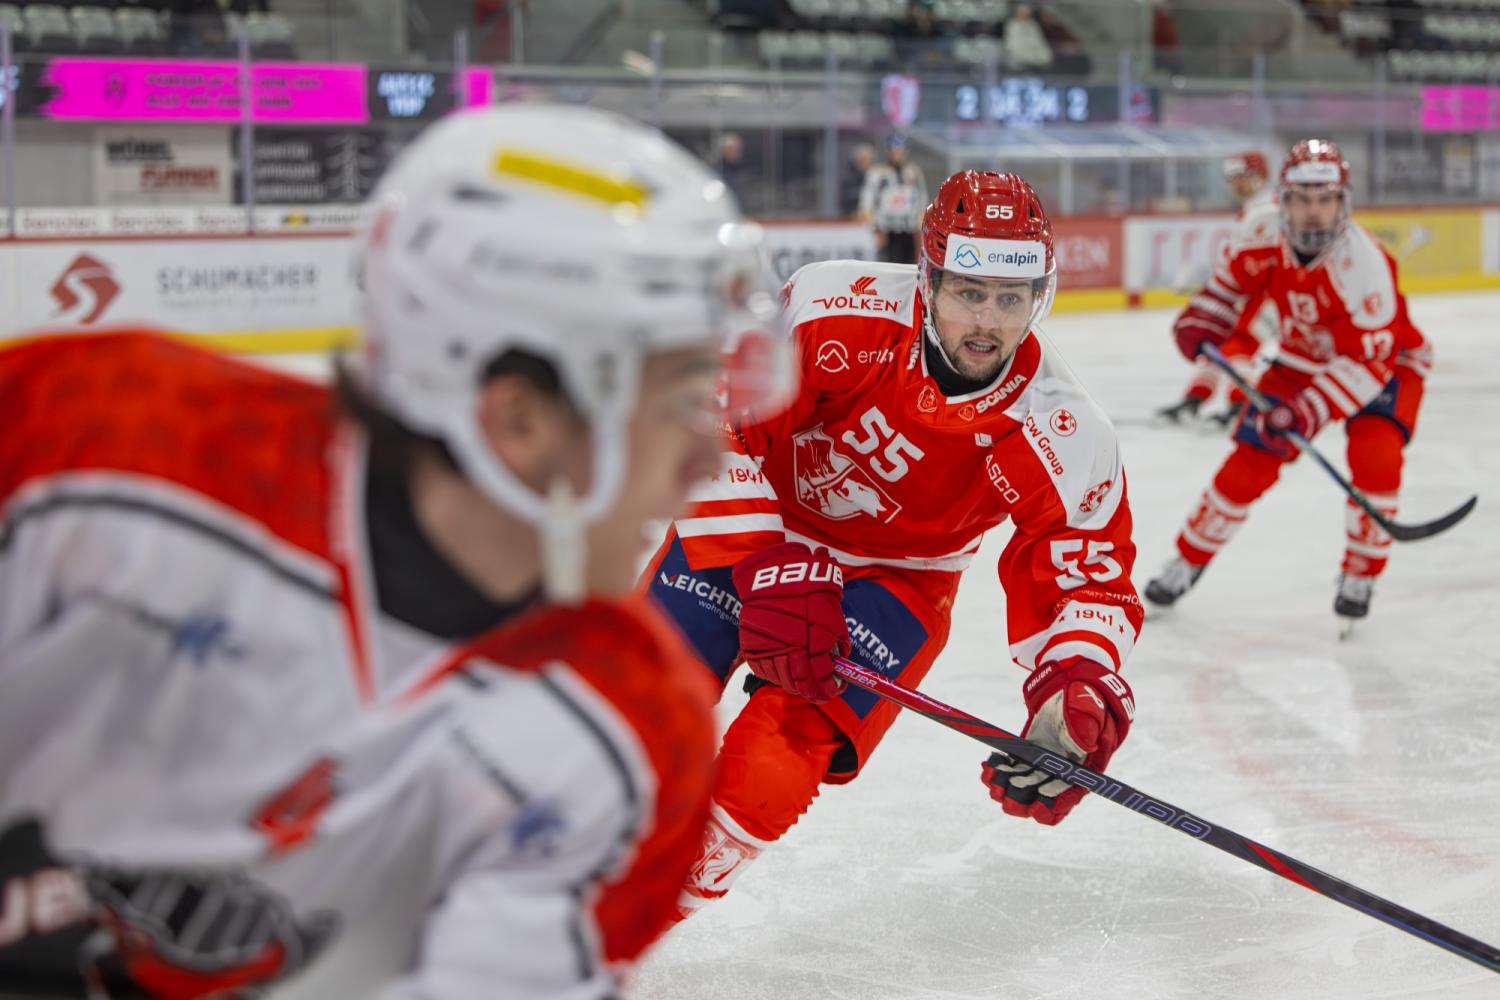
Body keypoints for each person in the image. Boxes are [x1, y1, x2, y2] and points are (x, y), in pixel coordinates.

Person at [0, 104, 790, 998]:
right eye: (683, 393)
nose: (712, 450)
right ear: (519, 422)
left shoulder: (635, 732)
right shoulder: (93, 448)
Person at [644, 170, 1144, 918]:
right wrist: (761, 557)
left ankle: (654, 911)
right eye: (969, 293)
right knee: (643, 699)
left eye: (1013, 299)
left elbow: (1090, 578)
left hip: (900, 579)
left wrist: (1077, 679)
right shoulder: (830, 308)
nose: (990, 322)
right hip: (765, 524)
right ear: (928, 278)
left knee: (790, 741)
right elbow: (712, 421)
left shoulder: (1063, 430)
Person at [1144, 139, 1433, 630]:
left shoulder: (1364, 263)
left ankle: (1360, 574)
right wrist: (1202, 318)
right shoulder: (1259, 231)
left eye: (1325, 199)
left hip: (1387, 362)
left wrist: (1306, 411)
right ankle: (1187, 560)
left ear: (1343, 202)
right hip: (1301, 359)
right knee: (1249, 460)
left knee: (1376, 457)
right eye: (1303, 199)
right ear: (1284, 198)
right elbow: (1227, 290)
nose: (1314, 212)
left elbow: (1366, 364)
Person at [1156, 150, 1276, 426]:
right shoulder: (1255, 210)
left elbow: (1259, 266)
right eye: (1232, 178)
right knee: (1218, 340)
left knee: (1239, 344)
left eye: (1242, 177)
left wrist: (1221, 292)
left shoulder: (1268, 211)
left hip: (1272, 298)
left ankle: (1241, 403)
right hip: (1257, 296)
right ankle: (1196, 398)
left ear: (1260, 178)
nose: (1236, 184)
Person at [858, 134, 928, 264]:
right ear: (888, 152)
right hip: (886, 232)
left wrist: (920, 229)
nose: (897, 155)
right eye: (894, 152)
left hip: (908, 231)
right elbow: (866, 204)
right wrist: (875, 229)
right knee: (886, 271)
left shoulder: (913, 173)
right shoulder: (877, 174)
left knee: (908, 272)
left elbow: (922, 201)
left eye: (900, 152)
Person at [1004, 3, 1054, 72]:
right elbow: (1013, 46)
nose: (1025, 16)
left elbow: (1040, 42)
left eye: (1027, 14)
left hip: (1035, 57)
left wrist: (1044, 56)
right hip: (1019, 59)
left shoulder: (1034, 25)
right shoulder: (1012, 26)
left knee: (1046, 57)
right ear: (1017, 13)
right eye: (1023, 13)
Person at [841, 141, 877, 219]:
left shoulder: (880, 179)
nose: (862, 163)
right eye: (859, 159)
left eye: (865, 159)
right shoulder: (849, 182)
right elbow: (846, 205)